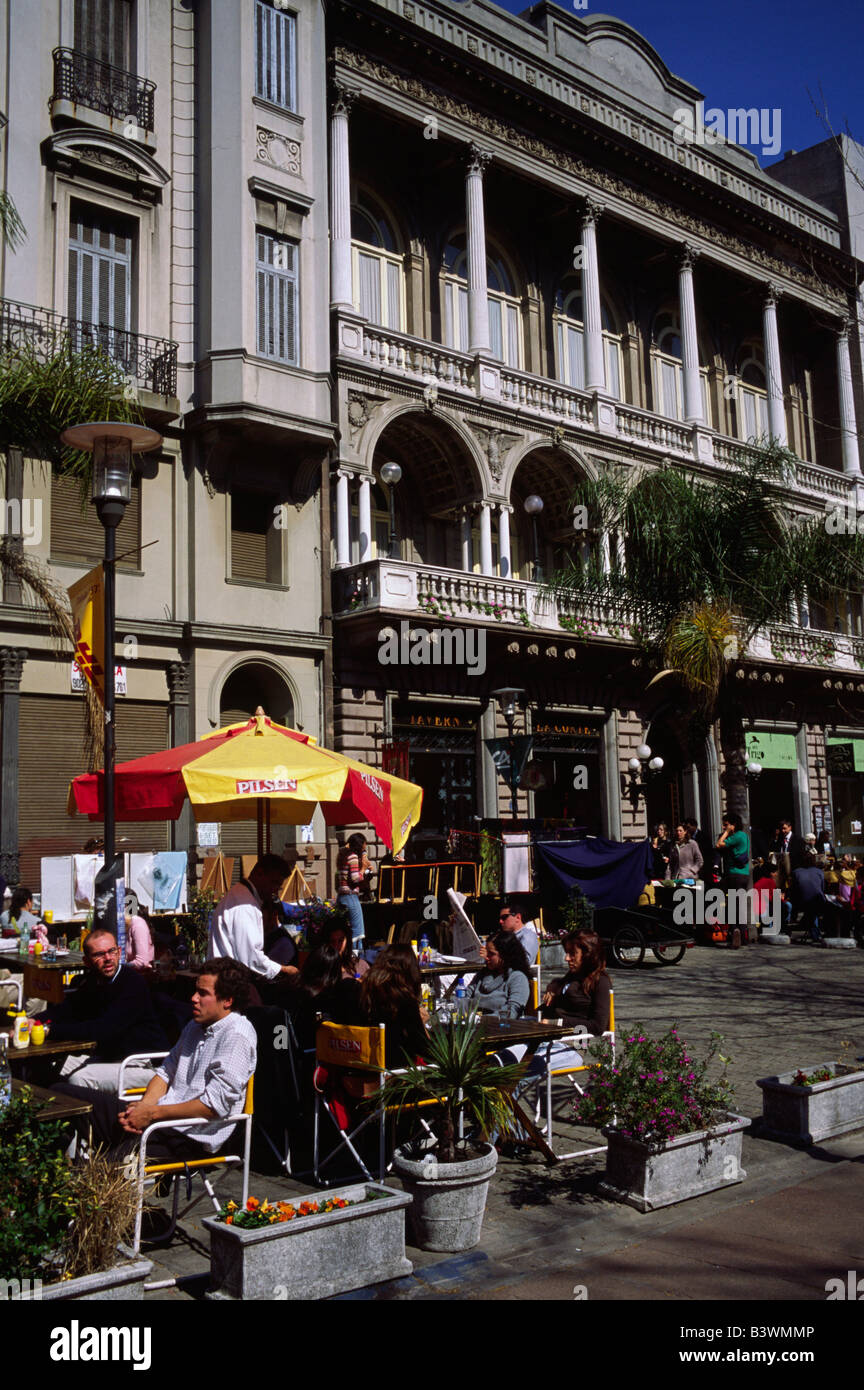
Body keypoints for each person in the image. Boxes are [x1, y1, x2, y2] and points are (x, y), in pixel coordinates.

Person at [55, 957, 257, 1161]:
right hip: (160, 1121)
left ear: (227, 1000)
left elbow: (214, 1105)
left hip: (188, 1138)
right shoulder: (195, 1026)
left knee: (101, 1172)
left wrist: (152, 1113)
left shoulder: (237, 1035)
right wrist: (144, 1107)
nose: (194, 998)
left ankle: (81, 1171)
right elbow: (165, 1072)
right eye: (196, 990)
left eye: (203, 993)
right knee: (61, 1096)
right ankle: (56, 1168)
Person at [47, 929, 169, 1092]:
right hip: (112, 1057)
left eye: (111, 951)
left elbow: (102, 1029)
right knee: (52, 1064)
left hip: (144, 1064)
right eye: (99, 954)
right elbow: (68, 1009)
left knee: (79, 1079)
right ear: (87, 961)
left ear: (119, 952)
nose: (108, 959)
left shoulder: (132, 983)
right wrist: (35, 1020)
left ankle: (97, 1116)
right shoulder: (94, 980)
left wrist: (50, 1030)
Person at [208, 854, 298, 993]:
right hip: (227, 985)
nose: (275, 890)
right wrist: (283, 969)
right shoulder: (245, 905)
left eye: (278, 887)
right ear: (259, 873)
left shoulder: (241, 896)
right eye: (273, 883)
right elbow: (250, 958)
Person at [356, 944, 429, 1068]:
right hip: (395, 1071)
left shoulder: (364, 992)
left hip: (365, 1065)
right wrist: (422, 1023)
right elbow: (424, 1049)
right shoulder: (404, 1001)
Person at [463, 931, 530, 1019]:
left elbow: (512, 1012)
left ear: (505, 955)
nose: (486, 957)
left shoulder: (517, 978)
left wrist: (481, 1019)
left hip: (499, 1028)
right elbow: (464, 997)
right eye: (487, 952)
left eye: (491, 954)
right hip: (472, 1024)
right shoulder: (482, 974)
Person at [335, 834, 371, 947]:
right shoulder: (353, 857)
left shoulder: (342, 855)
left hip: (342, 896)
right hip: (351, 896)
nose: (364, 849)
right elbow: (355, 878)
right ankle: (356, 957)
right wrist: (364, 869)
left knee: (345, 929)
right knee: (358, 931)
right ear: (359, 845)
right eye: (364, 847)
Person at [789, 852, 830, 942]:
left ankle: (812, 930)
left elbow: (794, 890)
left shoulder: (796, 872)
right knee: (813, 911)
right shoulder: (819, 872)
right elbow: (822, 889)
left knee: (810, 911)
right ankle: (815, 933)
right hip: (818, 901)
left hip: (802, 902)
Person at [497, 899, 539, 966]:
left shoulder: (528, 936)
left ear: (518, 917)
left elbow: (524, 962)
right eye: (499, 918)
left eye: (504, 917)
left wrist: (496, 956)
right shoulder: (499, 935)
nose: (500, 921)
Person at [716, 813, 750, 888]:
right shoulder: (744, 835)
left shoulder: (736, 836)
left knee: (733, 899)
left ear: (733, 825)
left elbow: (718, 844)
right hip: (744, 873)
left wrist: (726, 832)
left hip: (735, 874)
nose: (723, 827)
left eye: (726, 825)